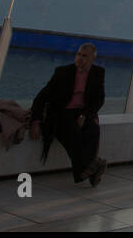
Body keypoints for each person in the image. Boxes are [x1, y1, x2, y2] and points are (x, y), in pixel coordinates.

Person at [30, 43, 107, 187]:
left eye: (85, 56)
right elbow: (41, 97)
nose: (80, 59)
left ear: (92, 58)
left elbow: (99, 99)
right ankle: (90, 169)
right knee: (73, 132)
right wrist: (35, 121)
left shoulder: (98, 73)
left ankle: (88, 170)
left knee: (92, 130)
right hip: (61, 111)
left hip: (82, 111)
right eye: (78, 55)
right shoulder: (63, 72)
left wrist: (85, 115)